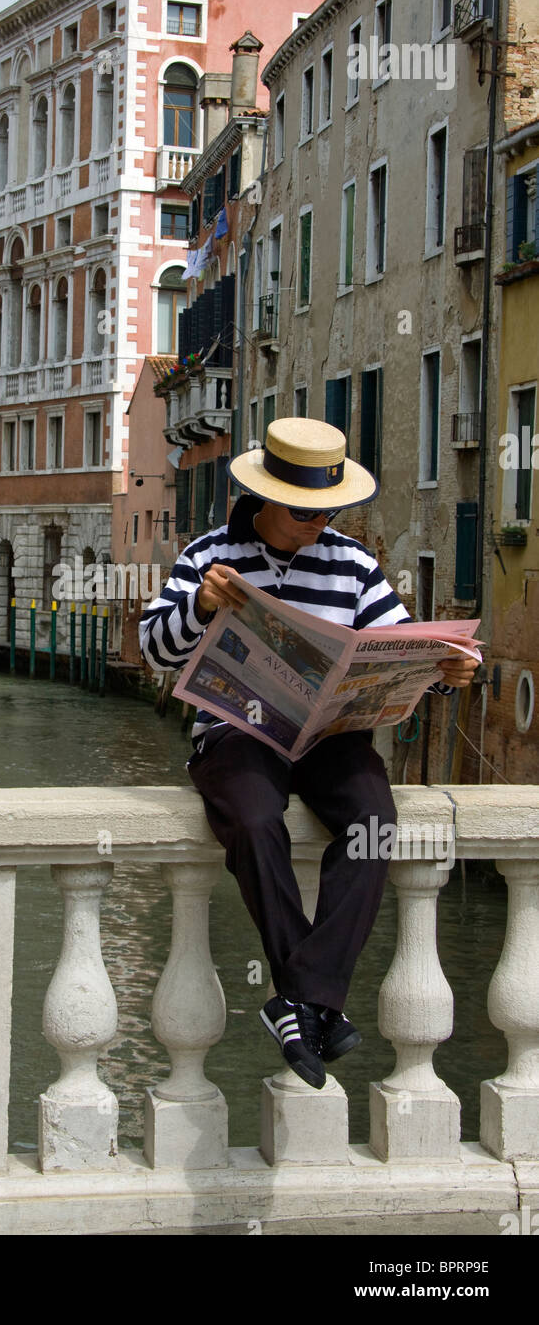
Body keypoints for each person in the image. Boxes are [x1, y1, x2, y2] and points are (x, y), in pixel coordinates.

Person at [139, 418, 477, 1090]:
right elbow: (156, 649)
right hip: (239, 732)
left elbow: (401, 642)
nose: (318, 523)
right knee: (257, 822)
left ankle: (301, 1000)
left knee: (375, 822)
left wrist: (447, 668)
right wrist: (204, 608)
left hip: (329, 736)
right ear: (266, 496)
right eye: (305, 512)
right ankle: (314, 1000)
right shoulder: (209, 556)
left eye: (328, 510)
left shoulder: (352, 564)